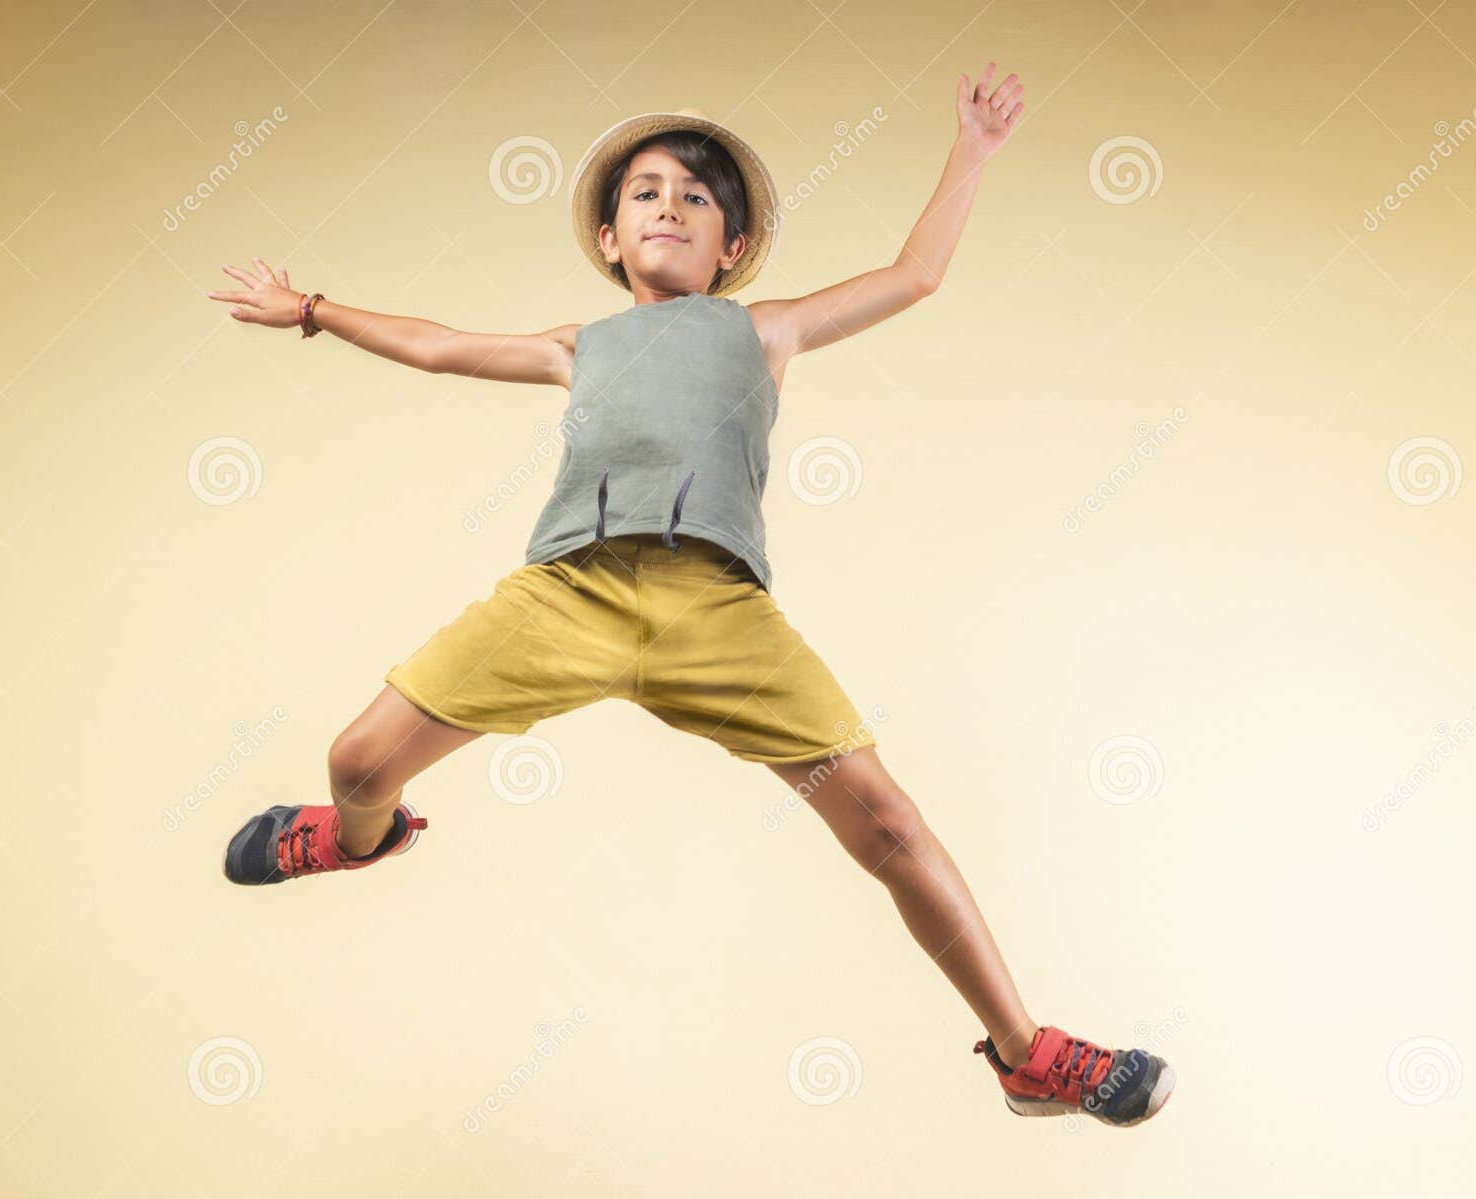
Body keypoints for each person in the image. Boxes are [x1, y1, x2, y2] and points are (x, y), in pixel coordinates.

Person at [207, 63, 1173, 1127]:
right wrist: (311, 308)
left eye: (696, 197)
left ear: (732, 248)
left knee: (888, 826)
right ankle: (357, 839)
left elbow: (914, 274)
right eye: (646, 192)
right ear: (611, 238)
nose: (668, 205)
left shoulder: (766, 330)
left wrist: (973, 149)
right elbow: (436, 346)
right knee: (354, 764)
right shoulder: (577, 347)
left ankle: (1027, 1056)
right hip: (568, 595)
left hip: (719, 615)